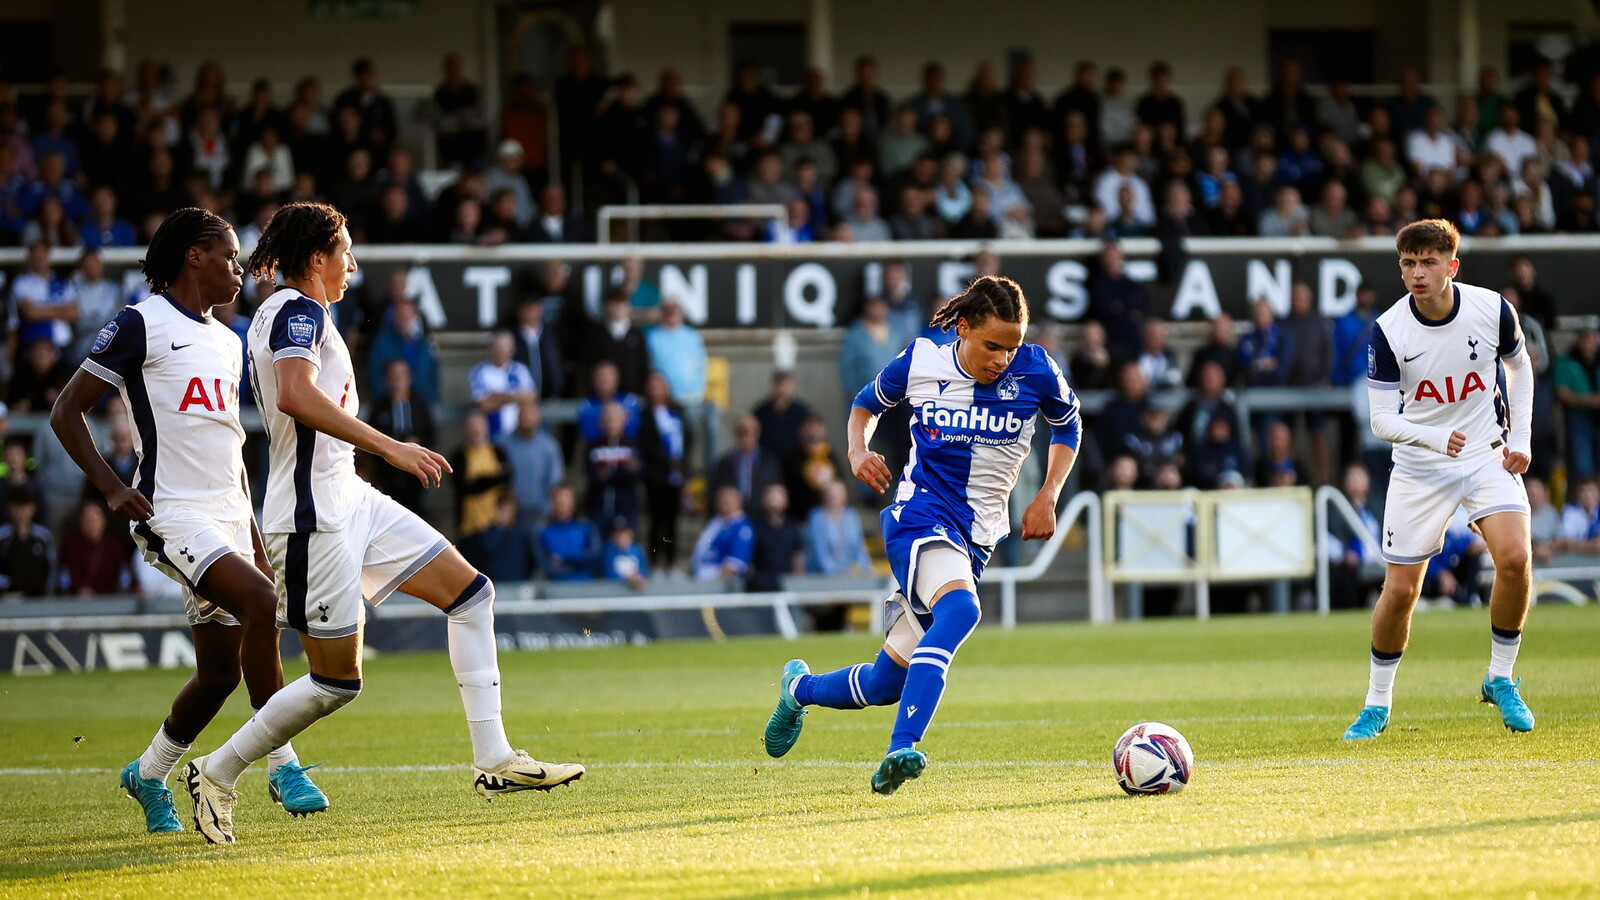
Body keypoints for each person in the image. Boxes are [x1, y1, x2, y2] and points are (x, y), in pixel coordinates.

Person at [183, 202, 582, 845]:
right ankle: (217, 770)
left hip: (348, 497)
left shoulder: (298, 314)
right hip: (314, 516)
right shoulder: (296, 310)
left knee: (471, 594)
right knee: (338, 681)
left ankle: (494, 758)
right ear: (317, 259)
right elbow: (294, 395)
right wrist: (390, 446)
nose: (353, 266)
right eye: (346, 252)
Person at [47, 208, 327, 834]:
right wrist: (113, 488)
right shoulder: (140, 323)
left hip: (228, 514)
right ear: (194, 255)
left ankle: (148, 774)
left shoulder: (228, 342)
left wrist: (252, 531)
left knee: (221, 673)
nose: (239, 270)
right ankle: (283, 762)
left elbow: (230, 447)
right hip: (170, 513)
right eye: (230, 257)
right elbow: (67, 411)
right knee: (261, 603)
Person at [762, 275, 1081, 795]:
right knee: (963, 611)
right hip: (920, 516)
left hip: (976, 539)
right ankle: (899, 750)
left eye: (1012, 346)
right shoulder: (922, 358)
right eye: (992, 345)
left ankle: (798, 689)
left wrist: (1048, 493)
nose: (1003, 358)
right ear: (963, 327)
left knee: (886, 682)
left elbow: (1068, 424)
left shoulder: (1038, 369)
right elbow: (865, 403)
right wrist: (857, 451)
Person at [1344, 219, 1535, 741]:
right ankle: (1376, 704)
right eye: (1408, 262)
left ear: (1452, 266)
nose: (1417, 272)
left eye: (1428, 262)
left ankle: (1501, 677)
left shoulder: (1492, 309)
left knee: (1515, 558)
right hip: (1420, 466)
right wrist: (1433, 438)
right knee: (1402, 590)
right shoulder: (1388, 330)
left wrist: (1521, 439)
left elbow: (1520, 369)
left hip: (1483, 452)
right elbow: (1381, 419)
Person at [367, 358, 435, 515]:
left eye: (401, 376)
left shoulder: (420, 405)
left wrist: (418, 442)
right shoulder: (379, 407)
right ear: (386, 379)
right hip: (388, 473)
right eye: (393, 377)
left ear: (409, 377)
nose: (397, 381)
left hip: (416, 474)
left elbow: (431, 436)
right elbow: (371, 438)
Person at [638, 372, 689, 569]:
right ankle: (653, 559)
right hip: (656, 476)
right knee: (655, 521)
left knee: (671, 521)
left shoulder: (677, 412)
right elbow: (646, 445)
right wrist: (667, 462)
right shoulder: (645, 415)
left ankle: (670, 561)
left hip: (675, 477)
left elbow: (686, 439)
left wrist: (682, 465)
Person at [498, 396, 563, 533]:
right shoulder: (502, 444)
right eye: (523, 413)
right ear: (517, 416)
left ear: (538, 417)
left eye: (531, 413)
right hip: (509, 514)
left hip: (539, 513)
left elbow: (555, 480)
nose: (527, 418)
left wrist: (546, 507)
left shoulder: (549, 445)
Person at [691, 485, 755, 582]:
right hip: (699, 576)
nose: (724, 503)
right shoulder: (715, 523)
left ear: (738, 501)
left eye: (728, 499)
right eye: (721, 499)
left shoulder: (743, 528)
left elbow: (734, 566)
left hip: (717, 584)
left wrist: (706, 578)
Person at [538, 485, 600, 580]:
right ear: (552, 503)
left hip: (585, 588)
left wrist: (564, 559)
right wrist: (580, 564)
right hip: (556, 589)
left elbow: (594, 555)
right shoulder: (543, 531)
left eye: (566, 498)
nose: (562, 502)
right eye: (558, 498)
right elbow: (547, 567)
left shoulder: (586, 527)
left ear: (573, 502)